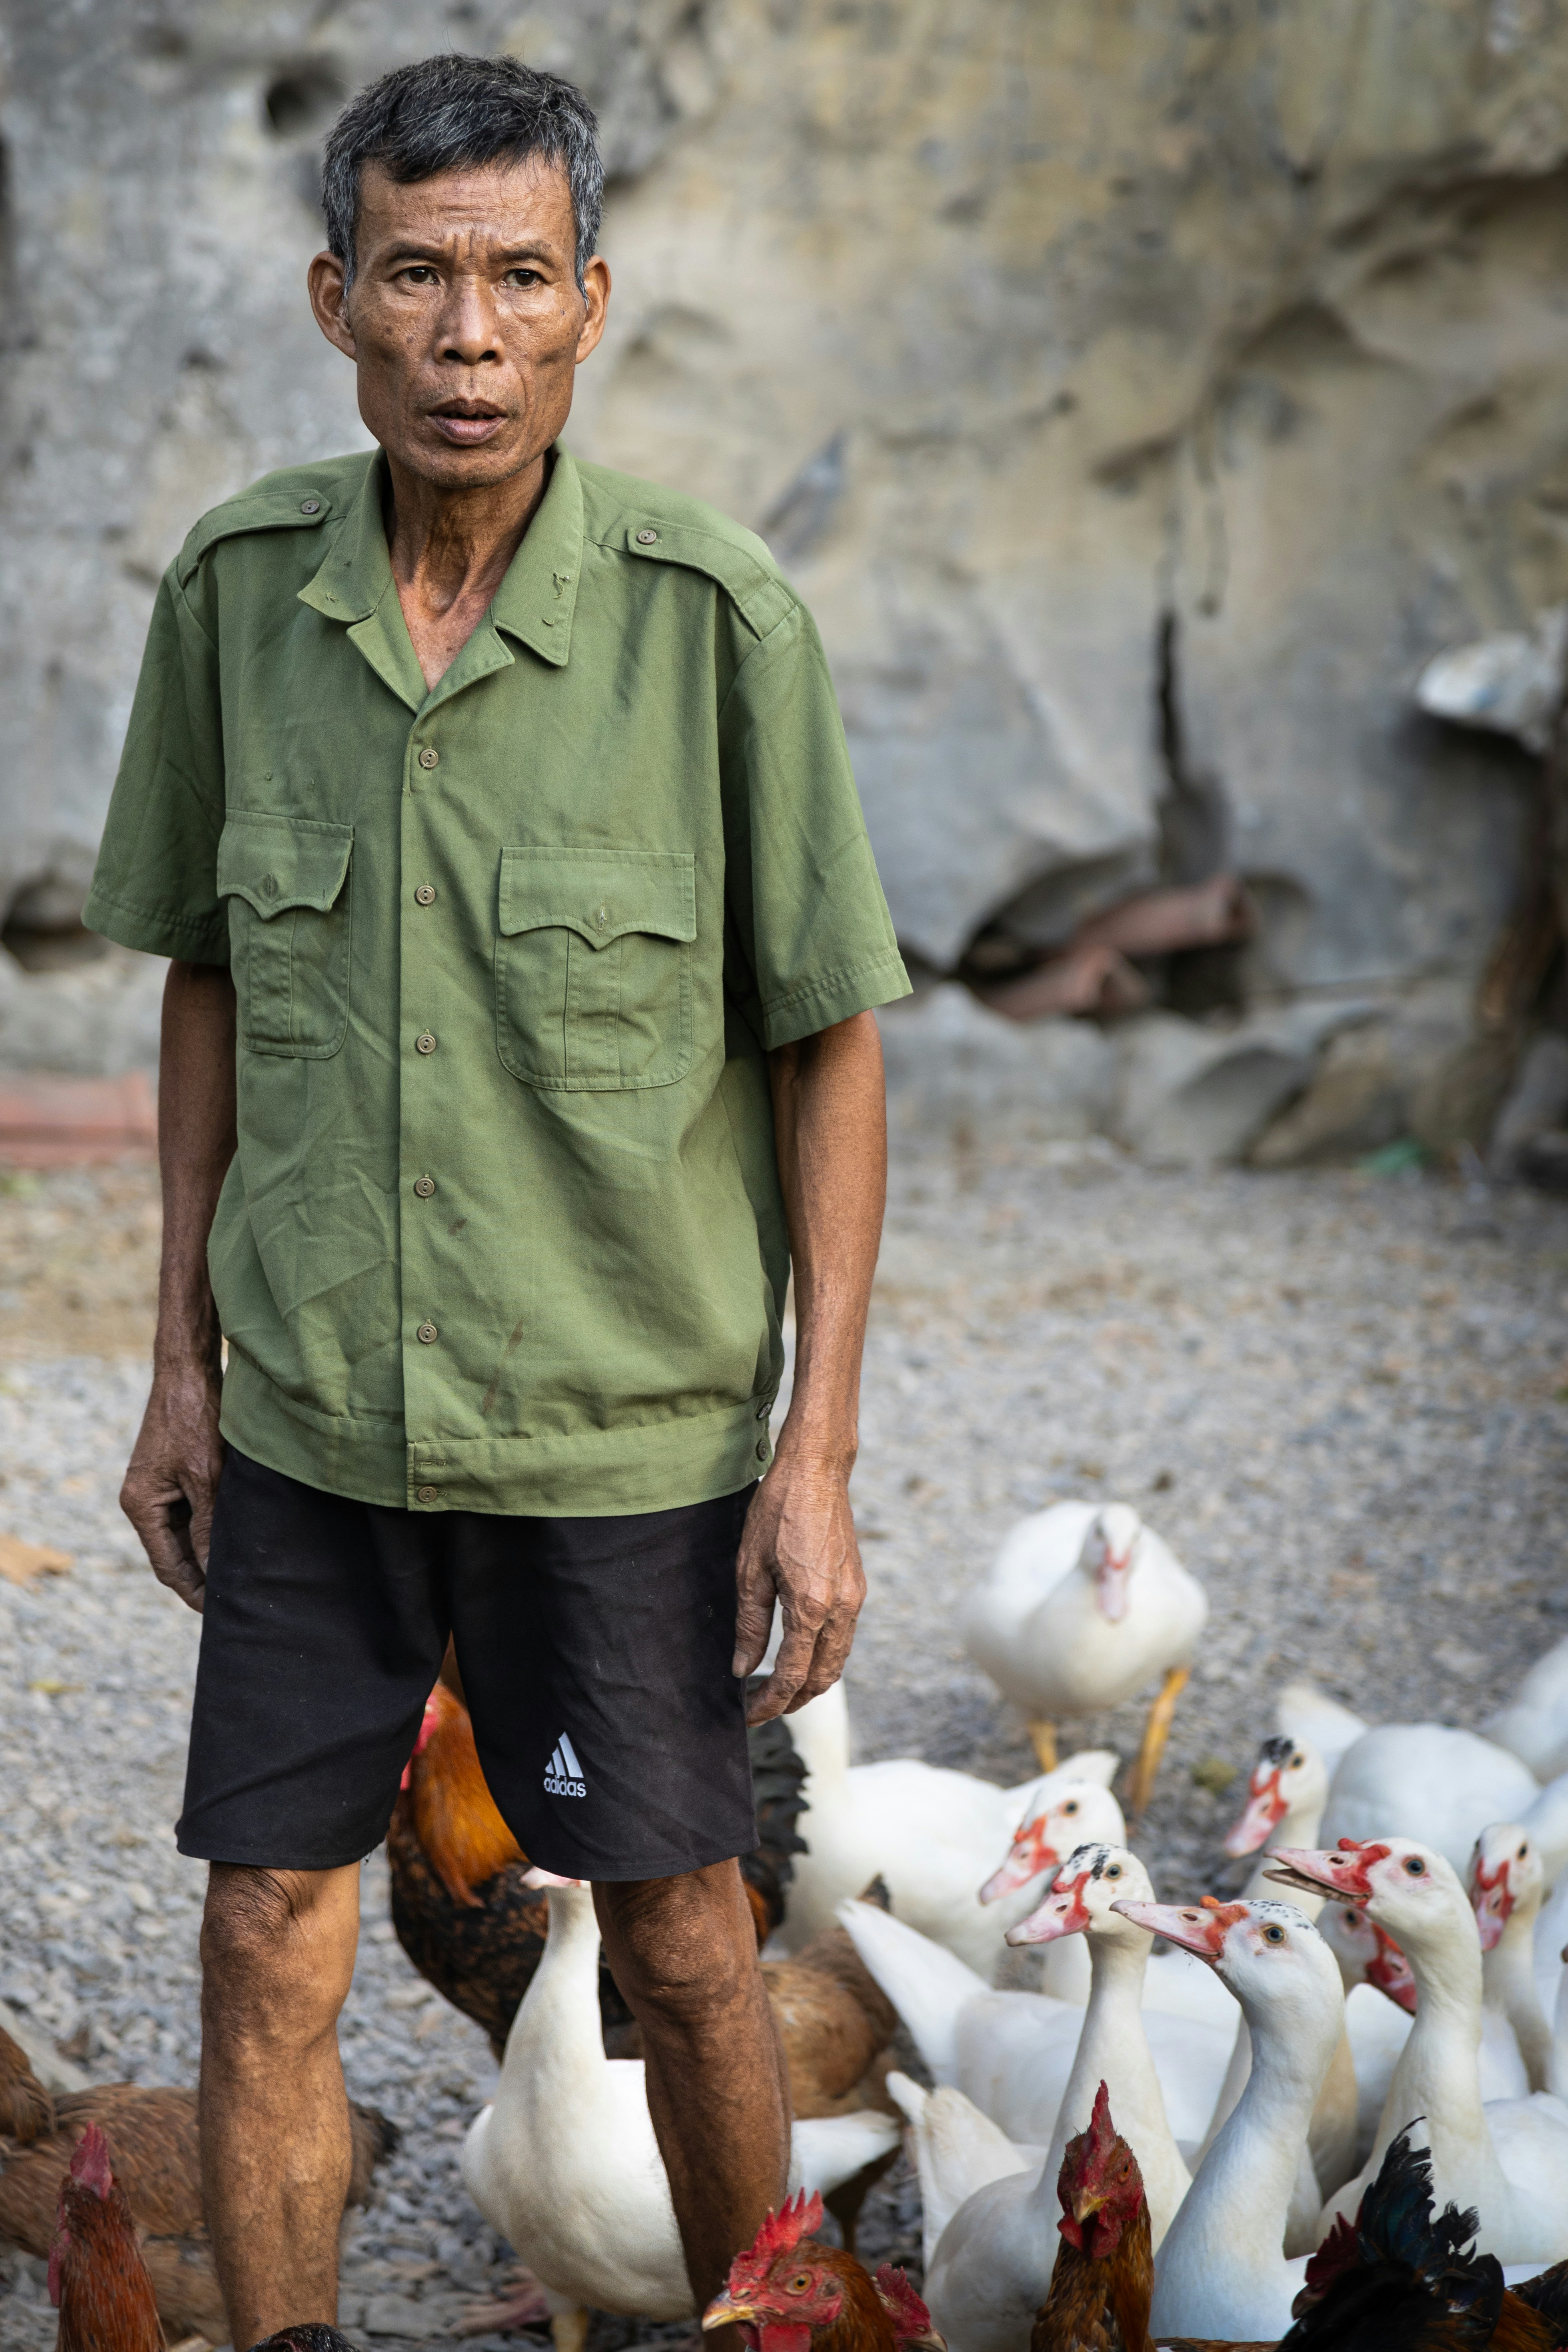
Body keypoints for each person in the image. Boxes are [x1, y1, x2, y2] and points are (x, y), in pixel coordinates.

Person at [82, 51, 909, 2352]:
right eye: (420, 276)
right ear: (334, 299)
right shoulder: (239, 596)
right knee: (264, 1927)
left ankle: (763, 2330)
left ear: (592, 306)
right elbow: (209, 978)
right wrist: (177, 1364)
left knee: (681, 1937)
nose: (471, 335)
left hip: (619, 1430)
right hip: (315, 1415)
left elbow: (833, 1037)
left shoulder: (714, 622)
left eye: (521, 279)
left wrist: (819, 1455)